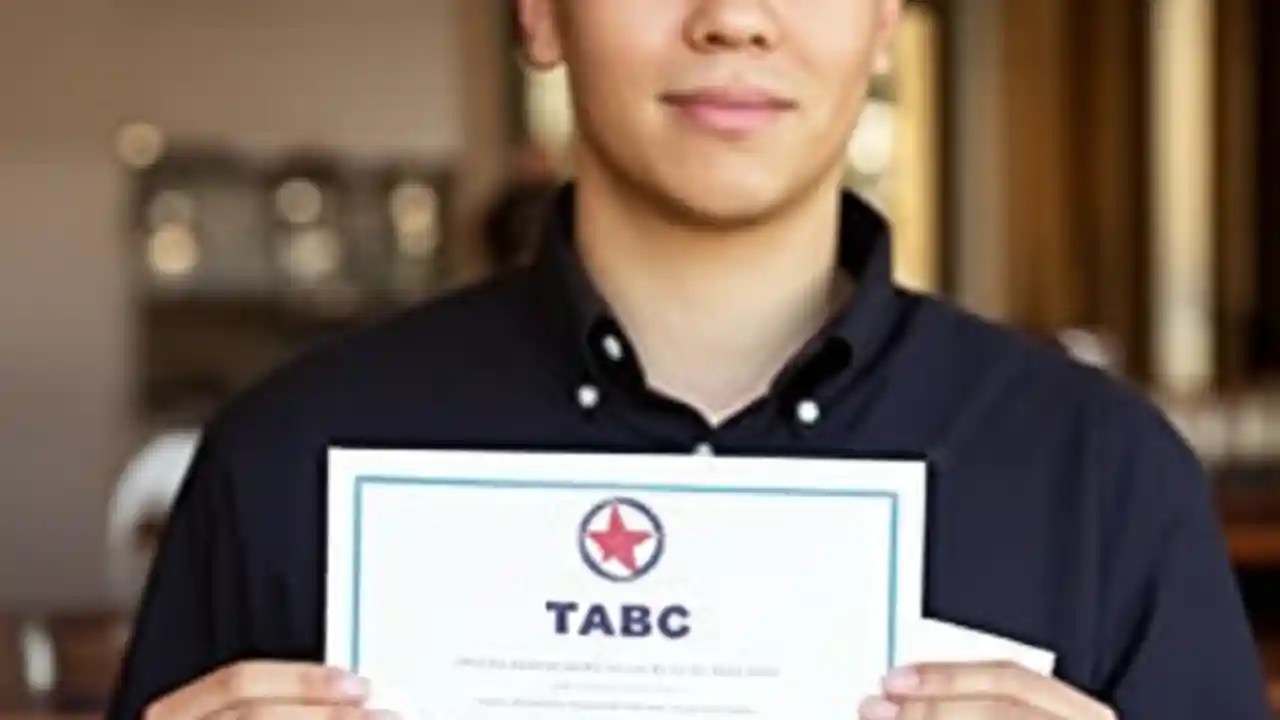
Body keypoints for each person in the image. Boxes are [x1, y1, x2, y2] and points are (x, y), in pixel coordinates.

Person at [107, 0, 1272, 718]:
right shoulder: (286, 459)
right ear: (540, 14)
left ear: (882, 15)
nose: (733, 16)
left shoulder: (1103, 478)